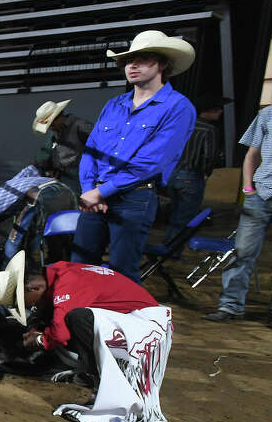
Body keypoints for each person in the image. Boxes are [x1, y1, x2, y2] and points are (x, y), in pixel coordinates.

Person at [72, 29, 197, 281]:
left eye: (143, 59)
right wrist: (89, 188)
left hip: (134, 198)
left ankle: (122, 318)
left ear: (162, 64)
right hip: (95, 195)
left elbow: (152, 161)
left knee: (122, 272)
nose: (132, 65)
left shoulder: (178, 107)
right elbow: (91, 150)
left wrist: (100, 191)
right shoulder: (114, 104)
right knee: (80, 266)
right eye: (128, 61)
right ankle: (82, 319)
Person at [0, 252, 162, 395]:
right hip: (131, 320)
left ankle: (102, 382)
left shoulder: (66, 284)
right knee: (49, 317)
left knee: (76, 318)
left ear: (34, 288)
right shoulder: (55, 271)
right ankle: (84, 366)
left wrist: (40, 340)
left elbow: (61, 334)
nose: (29, 306)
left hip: (147, 327)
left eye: (25, 301)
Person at [205, 100, 272, 333]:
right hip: (262, 192)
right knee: (242, 252)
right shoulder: (269, 114)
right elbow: (252, 153)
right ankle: (230, 307)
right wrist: (248, 189)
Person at [162, 95, 226, 250]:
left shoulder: (181, 125)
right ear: (208, 111)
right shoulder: (209, 129)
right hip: (191, 175)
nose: (220, 113)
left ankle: (168, 244)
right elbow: (209, 155)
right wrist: (206, 173)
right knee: (185, 216)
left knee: (175, 213)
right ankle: (173, 249)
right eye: (217, 110)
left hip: (172, 173)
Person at [32, 99, 93, 195]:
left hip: (81, 175)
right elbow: (48, 151)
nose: (50, 127)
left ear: (58, 117)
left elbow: (99, 150)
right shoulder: (55, 131)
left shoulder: (82, 126)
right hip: (62, 176)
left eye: (51, 124)